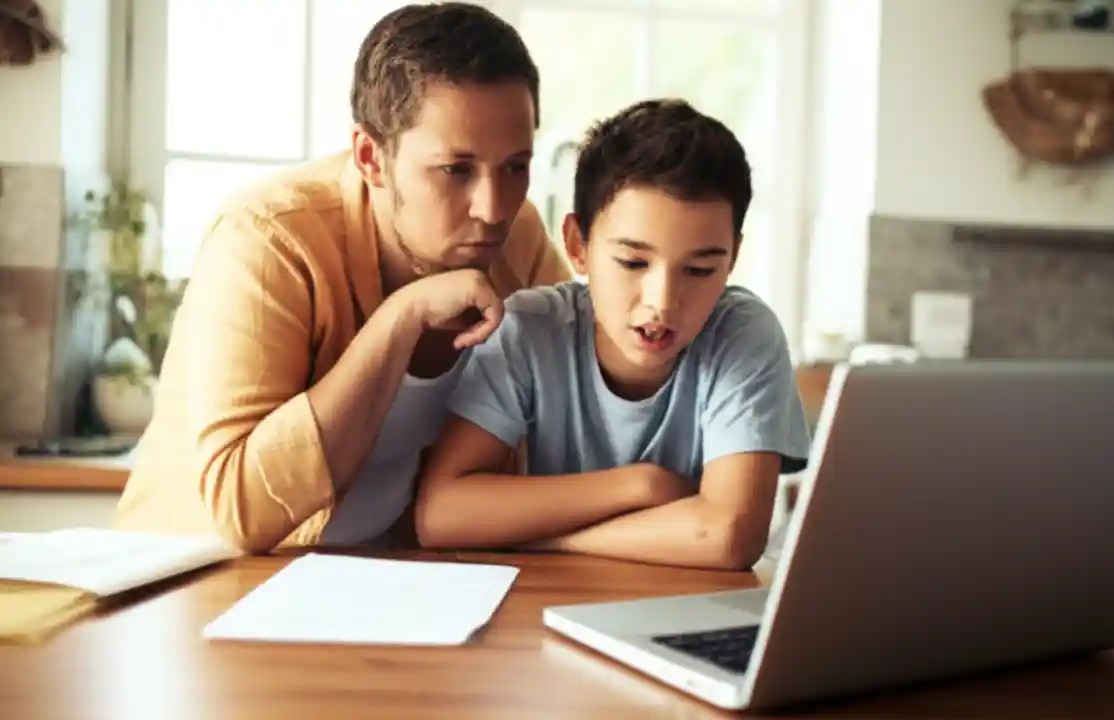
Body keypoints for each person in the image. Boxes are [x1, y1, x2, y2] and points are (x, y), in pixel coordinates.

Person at [114, 3, 570, 552]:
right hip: (196, 589)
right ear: (370, 157)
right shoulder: (267, 239)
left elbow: (579, 404)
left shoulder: (517, 236)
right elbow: (243, 511)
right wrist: (400, 319)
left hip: (393, 583)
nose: (493, 207)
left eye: (515, 166)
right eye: (456, 170)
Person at [416, 99, 810, 570]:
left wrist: (542, 539)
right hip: (549, 610)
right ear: (578, 246)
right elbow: (441, 515)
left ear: (733, 259)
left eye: (701, 269)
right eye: (633, 263)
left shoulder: (744, 334)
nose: (662, 301)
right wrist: (640, 485)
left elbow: (727, 537)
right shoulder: (530, 329)